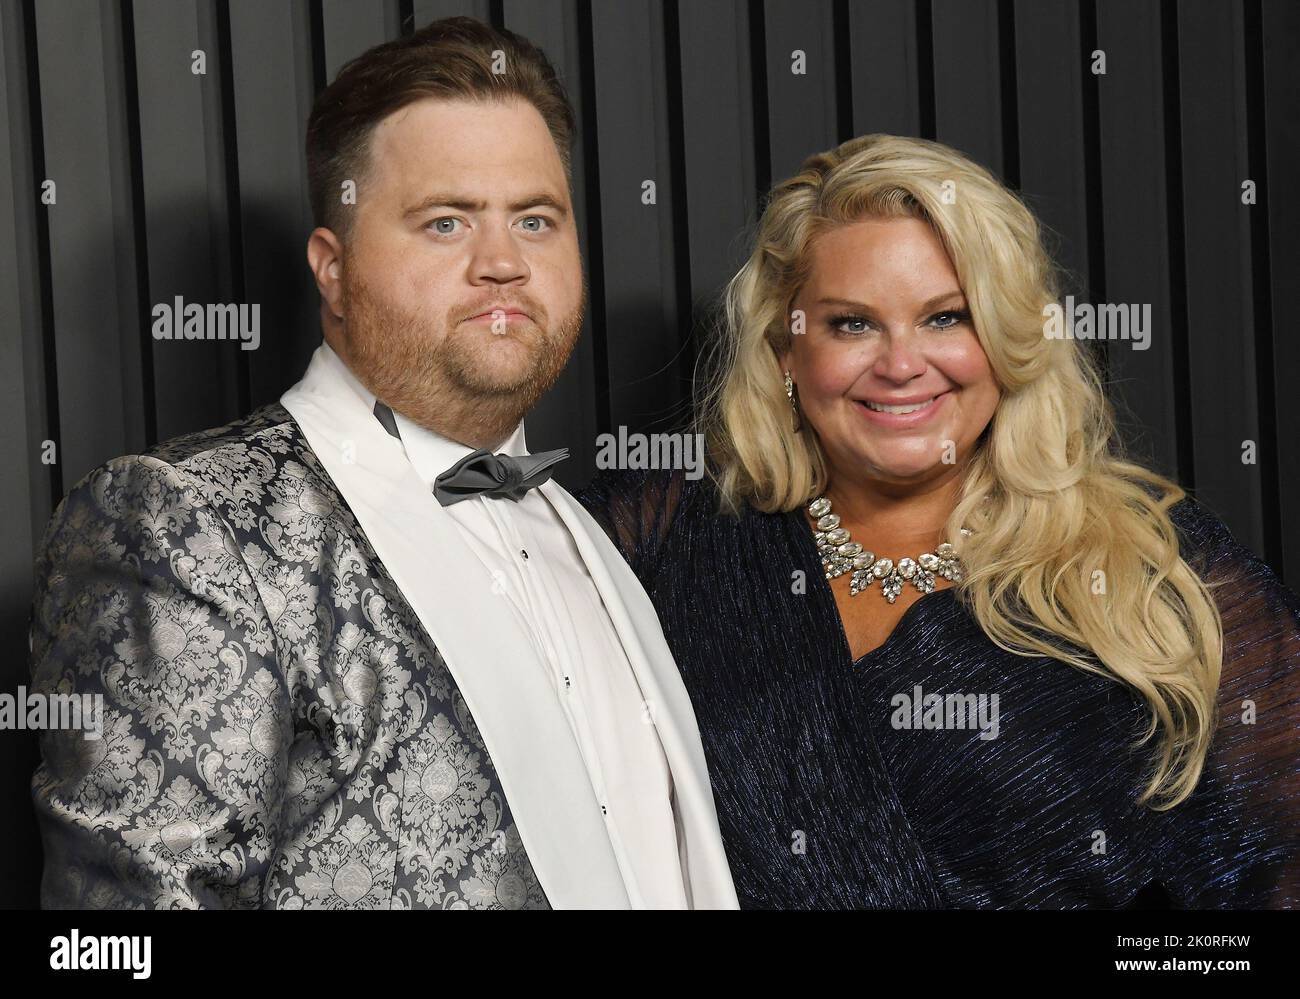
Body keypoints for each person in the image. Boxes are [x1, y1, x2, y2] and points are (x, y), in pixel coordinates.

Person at [27, 17, 737, 910]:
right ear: (332, 268)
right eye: (445, 222)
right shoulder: (183, 522)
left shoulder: (599, 534)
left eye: (536, 219)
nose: (503, 263)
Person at [578, 133, 1300, 909]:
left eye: (946, 317)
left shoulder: (1153, 563)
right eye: (851, 323)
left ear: (1007, 337)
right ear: (786, 351)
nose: (900, 363)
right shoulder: (674, 536)